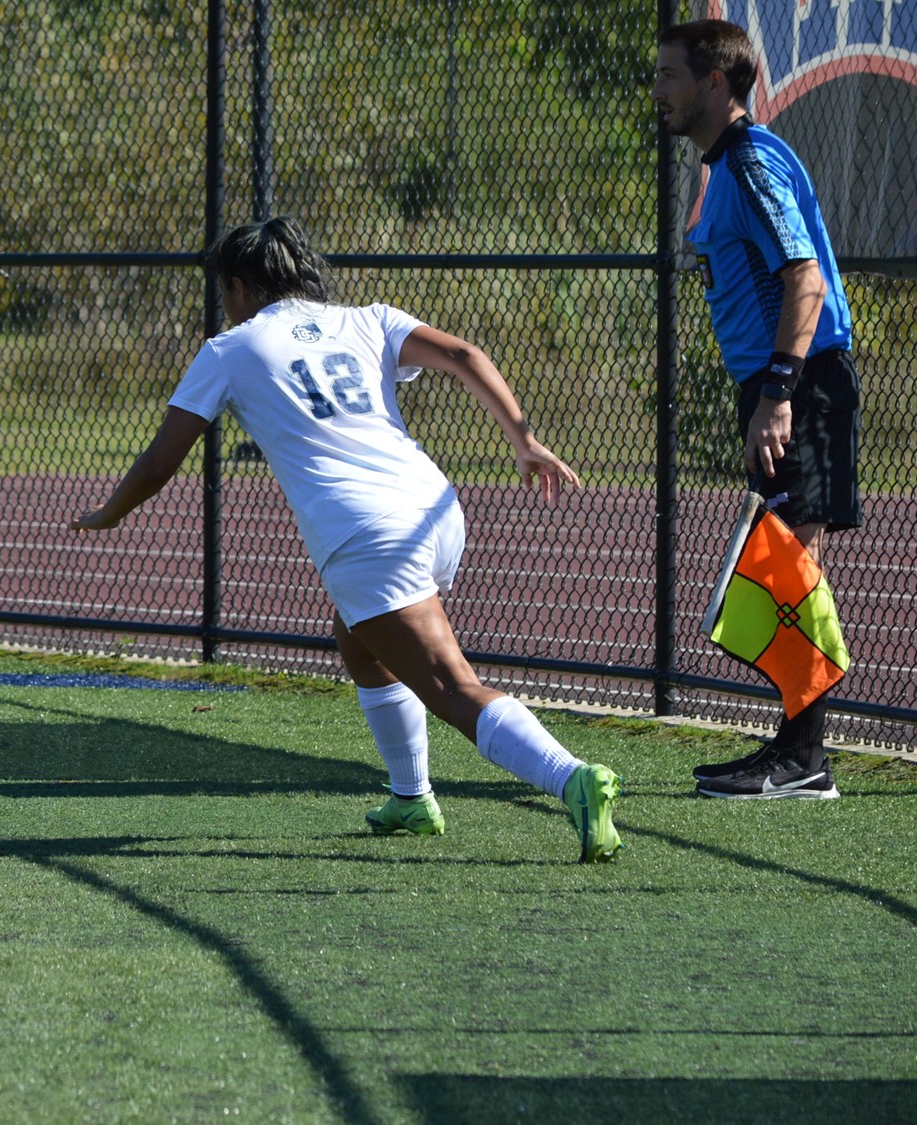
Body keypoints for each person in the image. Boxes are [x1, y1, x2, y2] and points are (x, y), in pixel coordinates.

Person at [70, 217, 622, 863]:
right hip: (435, 510)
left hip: (367, 534)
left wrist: (109, 512)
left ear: (240, 285)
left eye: (224, 289)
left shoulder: (228, 349)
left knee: (451, 687)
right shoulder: (368, 319)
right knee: (359, 640)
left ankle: (571, 778)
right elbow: (465, 355)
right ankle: (411, 797)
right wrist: (524, 441)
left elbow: (159, 463)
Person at [653, 21, 858, 799]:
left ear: (714, 83)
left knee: (791, 561)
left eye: (670, 75)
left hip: (800, 384)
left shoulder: (751, 160)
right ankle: (796, 747)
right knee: (782, 563)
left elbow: (804, 278)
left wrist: (776, 395)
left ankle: (804, 759)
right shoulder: (725, 166)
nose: (658, 90)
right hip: (778, 384)